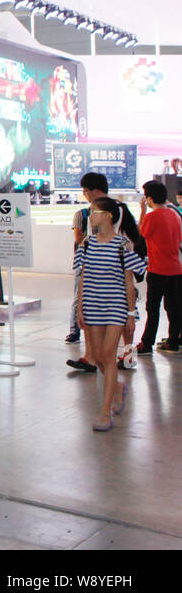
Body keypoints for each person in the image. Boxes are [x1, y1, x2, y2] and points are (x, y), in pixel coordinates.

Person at [74, 198, 145, 431]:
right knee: (98, 357)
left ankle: (105, 412)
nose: (90, 216)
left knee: (108, 354)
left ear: (108, 216)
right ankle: (118, 387)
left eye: (94, 212)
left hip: (115, 305)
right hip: (92, 305)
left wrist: (131, 313)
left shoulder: (122, 245)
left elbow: (128, 283)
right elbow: (83, 278)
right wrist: (81, 309)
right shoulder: (86, 244)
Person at [67, 173, 145, 371]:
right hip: (114, 269)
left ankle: (96, 357)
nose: (85, 195)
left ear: (92, 190)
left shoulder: (96, 212)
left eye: (85, 191)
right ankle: (111, 355)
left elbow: (81, 240)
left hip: (106, 269)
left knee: (115, 311)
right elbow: (135, 236)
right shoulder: (122, 208)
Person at [139, 181, 182, 356]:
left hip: (158, 269)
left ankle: (147, 343)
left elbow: (141, 233)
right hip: (176, 269)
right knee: (173, 307)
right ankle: (173, 341)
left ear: (149, 198)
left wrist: (142, 211)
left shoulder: (152, 216)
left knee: (153, 308)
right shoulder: (175, 215)